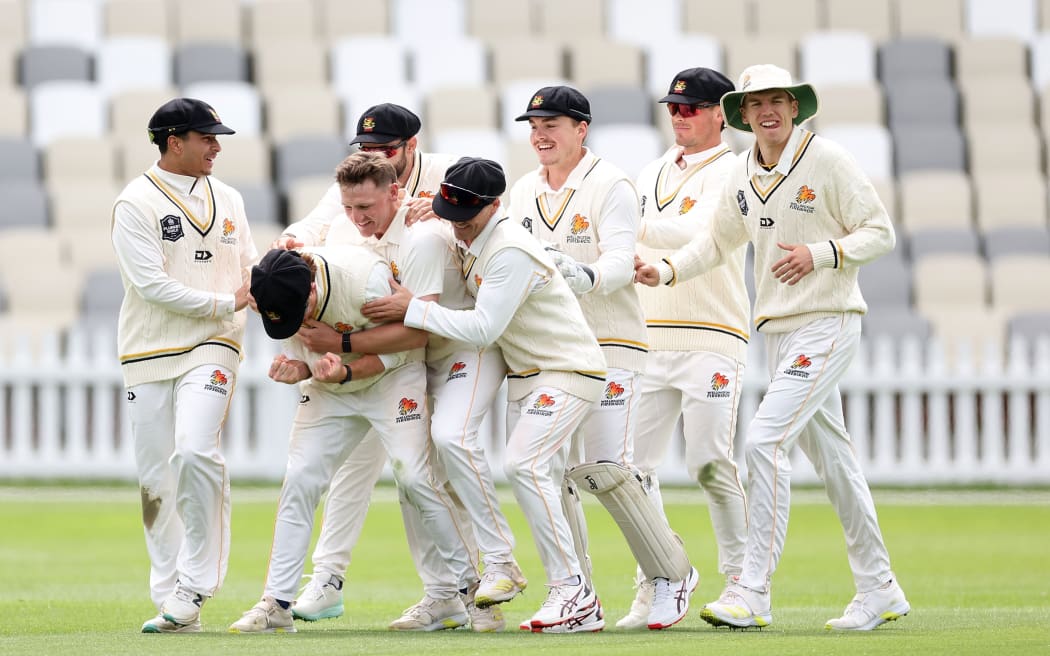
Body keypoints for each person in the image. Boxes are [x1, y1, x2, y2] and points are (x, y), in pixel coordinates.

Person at [635, 64, 910, 631]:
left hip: (828, 321)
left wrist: (822, 254)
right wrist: (665, 271)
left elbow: (879, 231)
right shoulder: (740, 172)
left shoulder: (827, 160)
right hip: (778, 332)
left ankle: (752, 589)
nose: (768, 111)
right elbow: (715, 244)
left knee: (762, 440)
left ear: (795, 105)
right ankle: (880, 586)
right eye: (756, 103)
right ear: (742, 113)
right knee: (836, 464)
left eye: (778, 101)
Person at [273, 108, 505, 632]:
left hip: (448, 346)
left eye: (389, 150)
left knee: (432, 471)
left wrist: (443, 209)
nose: (378, 157)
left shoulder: (444, 179)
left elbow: (490, 201)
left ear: (412, 145)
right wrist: (290, 244)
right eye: (368, 148)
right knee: (360, 470)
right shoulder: (353, 196)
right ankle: (330, 581)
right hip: (383, 358)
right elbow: (316, 225)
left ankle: (475, 590)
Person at [363, 157, 608, 633]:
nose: (456, 226)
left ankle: (570, 591)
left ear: (496, 205)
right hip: (530, 374)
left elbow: (482, 329)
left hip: (568, 369)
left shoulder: (509, 248)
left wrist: (415, 308)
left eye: (466, 216)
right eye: (448, 211)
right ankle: (533, 580)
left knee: (524, 464)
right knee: (526, 471)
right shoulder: (472, 230)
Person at [507, 85, 697, 630]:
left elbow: (619, 257)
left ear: (581, 128)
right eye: (534, 126)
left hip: (610, 342)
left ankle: (670, 575)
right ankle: (578, 596)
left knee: (606, 470)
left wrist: (583, 275)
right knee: (550, 469)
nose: (541, 135)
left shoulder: (610, 184)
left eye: (553, 124)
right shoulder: (522, 190)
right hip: (548, 350)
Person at [228, 243, 476, 633]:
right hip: (330, 392)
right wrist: (300, 369)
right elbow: (303, 350)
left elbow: (413, 340)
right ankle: (276, 604)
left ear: (311, 289)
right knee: (300, 479)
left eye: (299, 314)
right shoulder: (270, 292)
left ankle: (469, 593)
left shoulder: (364, 281)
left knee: (414, 477)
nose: (294, 323)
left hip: (393, 380)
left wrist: (344, 366)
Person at [112, 97, 256, 633]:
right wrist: (228, 300)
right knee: (155, 484)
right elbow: (150, 286)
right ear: (175, 141)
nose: (217, 145)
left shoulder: (231, 199)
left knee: (195, 449)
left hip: (215, 343)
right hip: (148, 350)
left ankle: (195, 584)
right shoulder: (135, 203)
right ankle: (172, 603)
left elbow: (249, 274)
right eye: (207, 137)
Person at [617, 68, 750, 630]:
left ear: (721, 113)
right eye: (673, 108)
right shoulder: (650, 172)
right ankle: (661, 576)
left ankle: (745, 582)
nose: (679, 117)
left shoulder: (738, 171)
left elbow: (703, 237)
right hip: (650, 338)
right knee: (631, 471)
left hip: (713, 334)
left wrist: (633, 226)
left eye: (691, 108)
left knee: (709, 463)